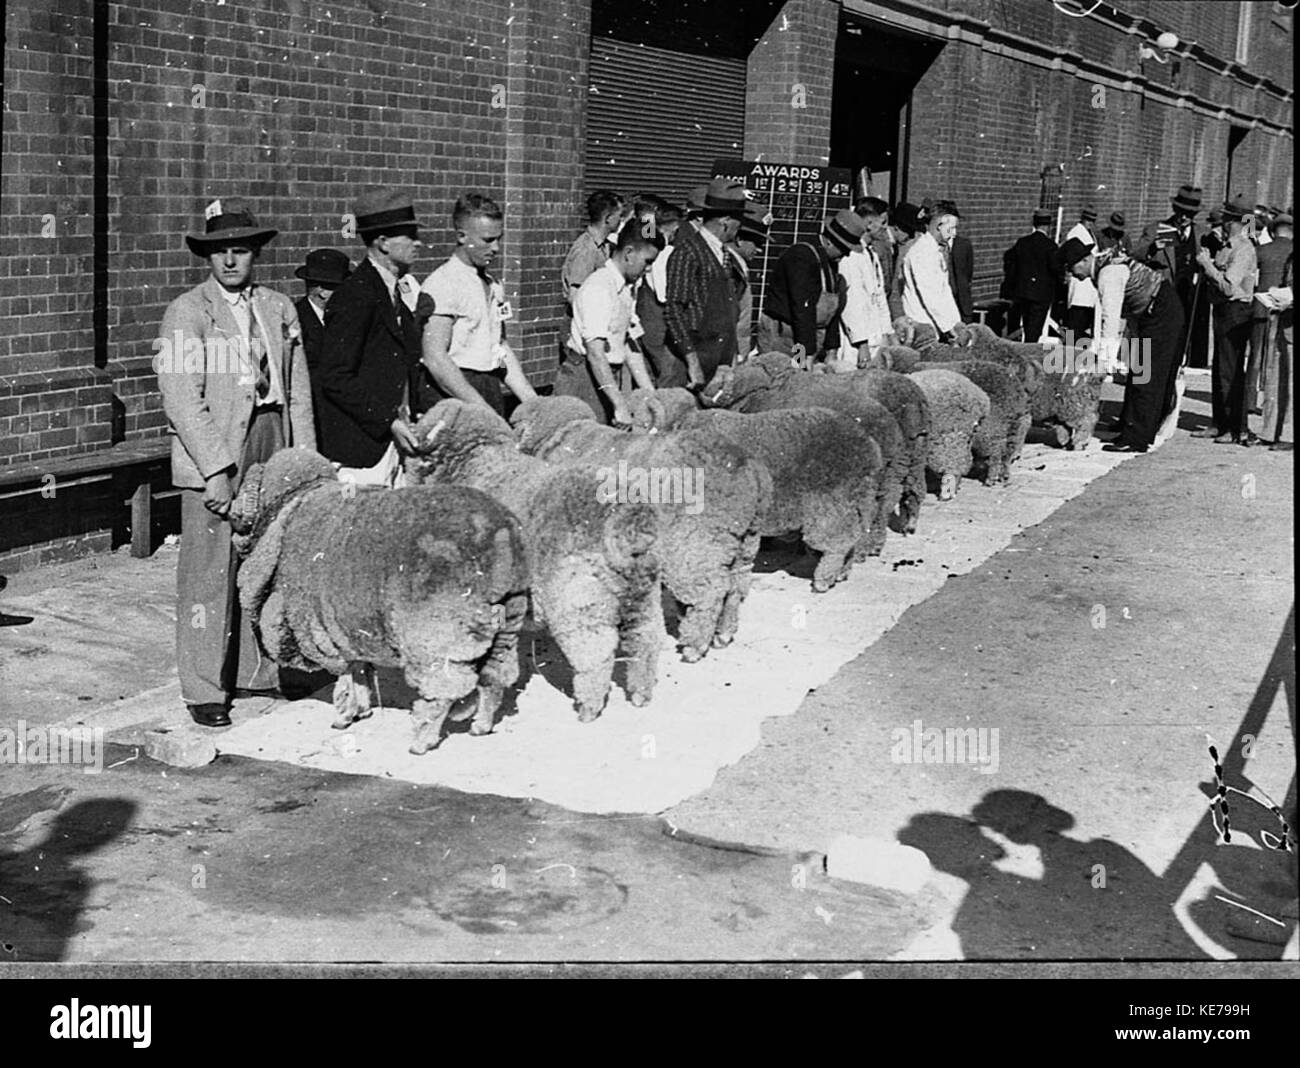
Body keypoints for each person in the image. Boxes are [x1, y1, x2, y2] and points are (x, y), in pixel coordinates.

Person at [157, 198, 315, 728]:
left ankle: (257, 671)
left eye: (240, 251)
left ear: (255, 255)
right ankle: (204, 686)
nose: (230, 261)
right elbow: (180, 397)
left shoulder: (277, 308)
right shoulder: (188, 311)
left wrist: (304, 462)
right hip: (219, 448)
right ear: (207, 256)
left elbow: (296, 389)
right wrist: (216, 469)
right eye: (220, 252)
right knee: (209, 570)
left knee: (265, 560)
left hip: (272, 438)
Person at [317, 188, 430, 488]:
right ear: (382, 243)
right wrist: (388, 421)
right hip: (363, 453)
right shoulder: (355, 295)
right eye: (409, 235)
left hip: (394, 444)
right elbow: (335, 376)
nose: (418, 242)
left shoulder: (394, 294)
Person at [1059, 236, 1182, 454]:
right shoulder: (1106, 267)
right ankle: (1131, 426)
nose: (1073, 274)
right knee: (1139, 371)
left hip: (1161, 312)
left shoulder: (1108, 274)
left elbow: (1111, 319)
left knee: (1146, 376)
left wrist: (1103, 363)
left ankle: (1137, 438)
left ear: (1085, 261)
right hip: (1154, 310)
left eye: (1072, 267)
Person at [420, 193, 538, 417]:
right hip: (452, 396)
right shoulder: (443, 284)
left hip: (488, 387)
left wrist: (531, 401)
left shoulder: (493, 285)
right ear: (462, 236)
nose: (496, 248)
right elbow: (436, 359)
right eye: (487, 240)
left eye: (499, 238)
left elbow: (498, 350)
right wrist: (482, 409)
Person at [554, 227, 659, 425]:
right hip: (585, 379)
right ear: (628, 253)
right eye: (648, 262)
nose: (649, 269)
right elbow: (595, 353)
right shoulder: (599, 287)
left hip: (606, 378)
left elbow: (629, 342)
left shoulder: (626, 289)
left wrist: (650, 393)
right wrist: (619, 405)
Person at [663, 177, 749, 387]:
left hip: (717, 364)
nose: (740, 226)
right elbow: (674, 311)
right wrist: (692, 362)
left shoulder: (723, 254)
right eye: (739, 220)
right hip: (689, 366)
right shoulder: (688, 253)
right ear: (726, 221)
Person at [758, 207, 865, 365]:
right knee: (787, 379)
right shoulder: (802, 256)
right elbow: (802, 308)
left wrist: (832, 349)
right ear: (829, 241)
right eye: (844, 249)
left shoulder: (830, 263)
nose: (847, 255)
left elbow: (832, 313)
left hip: (808, 338)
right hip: (784, 337)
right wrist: (804, 354)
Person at [1193, 194, 1259, 445]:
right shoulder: (1227, 246)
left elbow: (1229, 286)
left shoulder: (1243, 249)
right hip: (1222, 311)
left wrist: (1207, 266)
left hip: (1236, 311)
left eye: (1226, 219)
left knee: (1230, 371)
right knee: (1220, 368)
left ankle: (1234, 428)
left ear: (1232, 220)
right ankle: (1219, 422)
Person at [1133, 184, 1206, 365]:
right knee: (1159, 340)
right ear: (1174, 209)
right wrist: (1151, 249)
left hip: (1188, 296)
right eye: (1181, 212)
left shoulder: (1202, 233)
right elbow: (1135, 256)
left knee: (1181, 339)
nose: (1184, 217)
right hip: (1162, 294)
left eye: (1189, 214)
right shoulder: (1160, 229)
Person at [293, 248, 351, 442]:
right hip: (314, 417)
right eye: (341, 289)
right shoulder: (297, 320)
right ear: (322, 291)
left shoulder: (341, 319)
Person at [901, 202, 970, 344]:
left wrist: (956, 322)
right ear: (939, 225)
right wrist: (951, 326)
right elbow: (931, 295)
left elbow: (944, 292)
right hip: (922, 329)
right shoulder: (922, 253)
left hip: (936, 327)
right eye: (952, 228)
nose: (954, 233)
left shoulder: (934, 252)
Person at [838, 196, 894, 362]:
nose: (886, 228)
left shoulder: (871, 254)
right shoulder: (851, 257)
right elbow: (852, 303)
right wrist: (862, 344)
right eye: (883, 223)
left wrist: (886, 332)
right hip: (856, 345)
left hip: (875, 337)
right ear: (869, 223)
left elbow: (879, 296)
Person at [635, 200, 684, 385]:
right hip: (656, 318)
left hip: (643, 313)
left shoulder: (648, 244)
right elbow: (663, 293)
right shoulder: (665, 252)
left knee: (648, 370)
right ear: (671, 229)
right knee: (667, 371)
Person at [1250, 208, 1293, 420]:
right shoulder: (1292, 252)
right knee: (1277, 362)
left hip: (1260, 308)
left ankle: (1249, 400)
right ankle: (1271, 405)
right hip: (1285, 313)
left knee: (1255, 357)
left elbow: (1250, 276)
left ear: (1274, 231)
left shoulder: (1262, 250)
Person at [1259, 213, 1293, 450]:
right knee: (1275, 378)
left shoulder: (1266, 249)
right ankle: (1272, 431)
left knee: (1287, 381)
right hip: (1282, 320)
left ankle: (1287, 435)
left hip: (1287, 319)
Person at [1003, 208, 1059, 342]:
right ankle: (1029, 354)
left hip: (1022, 292)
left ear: (1034, 223)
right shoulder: (1050, 246)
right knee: (1034, 331)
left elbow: (1011, 263)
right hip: (1041, 295)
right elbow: (1056, 270)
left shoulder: (1022, 243)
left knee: (1025, 325)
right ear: (1049, 225)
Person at [562, 189, 624, 310]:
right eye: (620, 216)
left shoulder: (604, 245)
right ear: (608, 218)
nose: (621, 221)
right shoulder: (587, 249)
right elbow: (575, 296)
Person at [730, 200, 771, 360]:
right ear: (739, 239)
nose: (760, 249)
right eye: (757, 242)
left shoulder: (740, 267)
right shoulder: (730, 268)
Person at [1063, 205, 1099, 338]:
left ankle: (1077, 352)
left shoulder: (1089, 233)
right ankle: (1071, 353)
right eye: (1088, 220)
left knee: (1083, 325)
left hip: (1088, 287)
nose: (1090, 224)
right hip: (1080, 284)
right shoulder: (1075, 233)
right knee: (1075, 324)